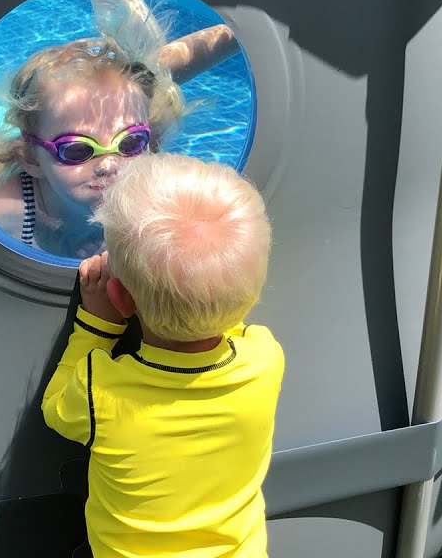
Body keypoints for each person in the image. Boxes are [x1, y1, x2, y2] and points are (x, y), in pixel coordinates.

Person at [41, 153, 284, 557]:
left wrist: (98, 324)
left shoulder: (97, 393)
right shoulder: (264, 359)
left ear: (119, 297)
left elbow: (55, 409)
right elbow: (234, 322)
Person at [0, 0, 239, 258]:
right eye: (78, 150)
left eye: (130, 144)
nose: (109, 164)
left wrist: (244, 32)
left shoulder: (140, 149)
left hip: (110, 113)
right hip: (52, 124)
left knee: (156, 77)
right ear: (30, 159)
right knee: (151, 68)